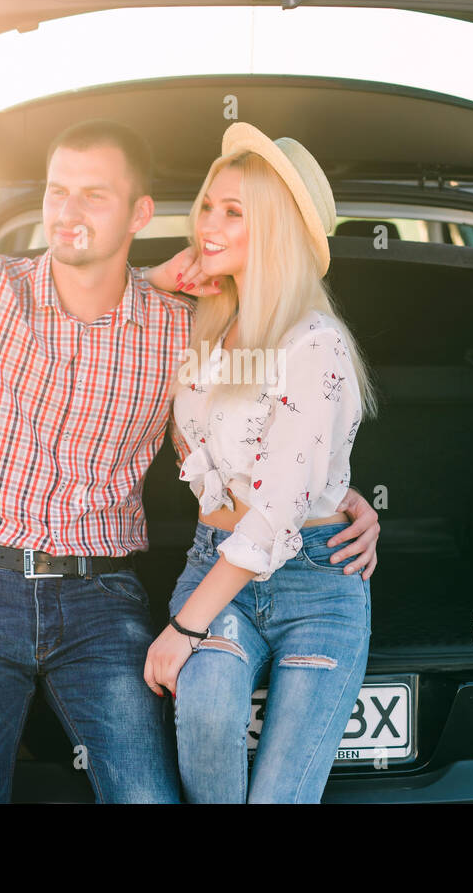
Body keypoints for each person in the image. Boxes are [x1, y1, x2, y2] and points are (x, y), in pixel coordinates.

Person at [0, 118, 380, 803]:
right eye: (58, 190)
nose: (68, 211)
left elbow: (280, 426)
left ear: (139, 214)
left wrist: (335, 502)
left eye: (93, 195)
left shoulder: (175, 323)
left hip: (100, 598)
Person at [142, 122, 378, 803]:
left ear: (272, 231)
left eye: (233, 212)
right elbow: (90, 308)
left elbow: (277, 510)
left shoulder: (314, 342)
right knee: (209, 713)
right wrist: (159, 278)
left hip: (316, 579)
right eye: (208, 206)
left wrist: (183, 629)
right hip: (216, 559)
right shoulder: (201, 323)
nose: (207, 223)